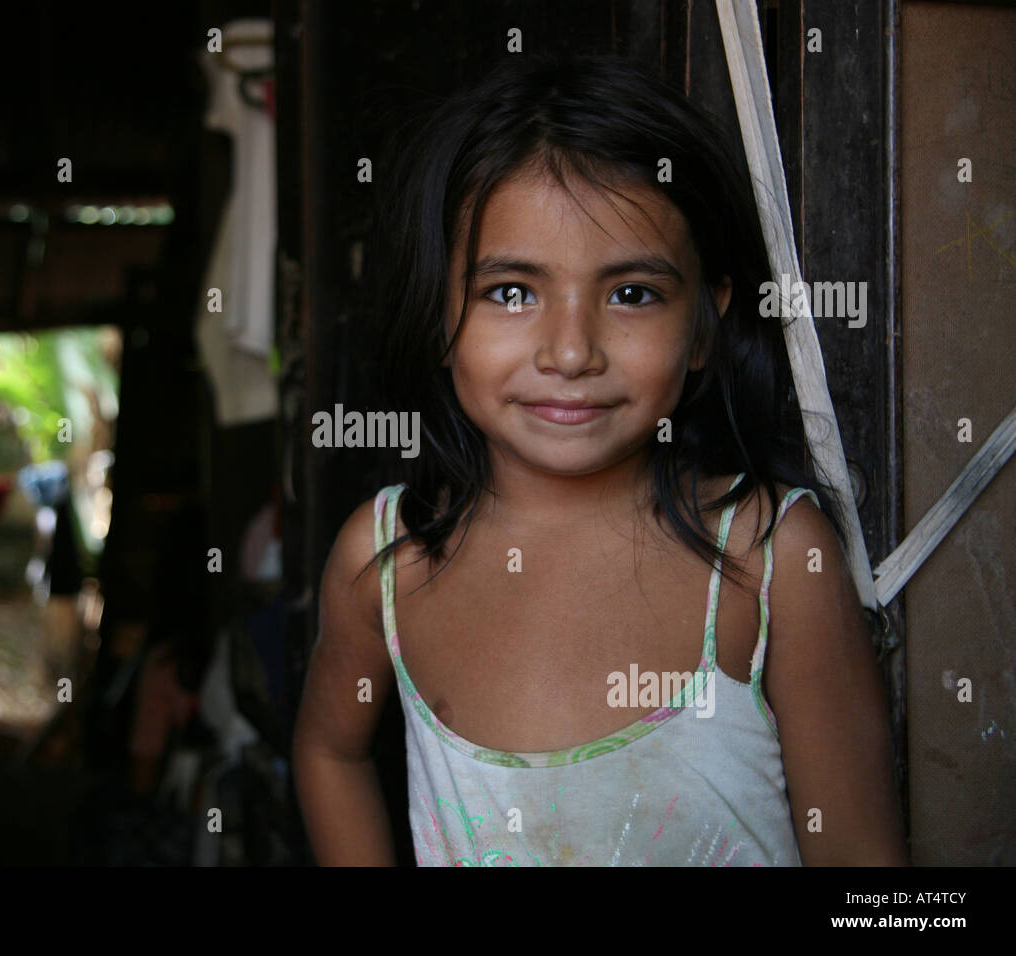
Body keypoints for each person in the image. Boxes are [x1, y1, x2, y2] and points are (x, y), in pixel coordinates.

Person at [292, 52, 908, 866]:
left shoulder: (769, 561)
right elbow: (329, 751)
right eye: (510, 291)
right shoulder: (387, 564)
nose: (572, 351)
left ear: (704, 325)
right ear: (438, 307)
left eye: (632, 294)